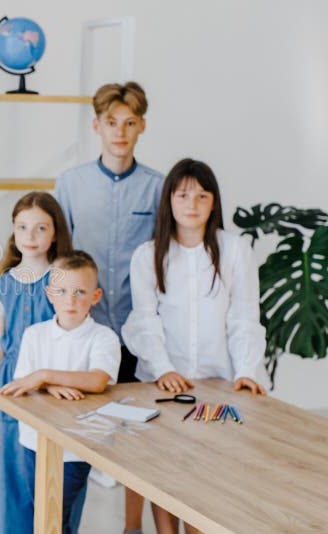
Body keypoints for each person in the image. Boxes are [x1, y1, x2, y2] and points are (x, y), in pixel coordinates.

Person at [122, 158, 267, 534]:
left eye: (202, 195)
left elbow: (244, 317)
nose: (192, 203)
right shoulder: (147, 255)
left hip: (218, 385)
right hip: (162, 382)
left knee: (209, 477)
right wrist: (163, 368)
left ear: (214, 203)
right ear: (169, 199)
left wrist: (248, 371)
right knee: (162, 470)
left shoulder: (235, 250)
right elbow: (145, 320)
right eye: (183, 194)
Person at [54, 81, 163, 534]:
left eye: (130, 123)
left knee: (144, 440)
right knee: (79, 439)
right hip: (86, 331)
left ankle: (132, 528)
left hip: (140, 332)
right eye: (112, 123)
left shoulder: (158, 188)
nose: (120, 132)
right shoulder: (71, 183)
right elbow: (60, 258)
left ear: (141, 127)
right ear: (97, 126)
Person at [0, 250, 121, 534]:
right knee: (39, 514)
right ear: (49, 294)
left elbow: (96, 381)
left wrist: (44, 375)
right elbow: (23, 384)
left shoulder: (103, 338)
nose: (71, 299)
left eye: (80, 291)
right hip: (32, 441)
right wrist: (50, 384)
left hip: (77, 448)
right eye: (62, 291)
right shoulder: (34, 334)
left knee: (58, 519)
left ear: (95, 296)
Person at [0, 191, 73, 534]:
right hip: (10, 392)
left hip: (52, 391)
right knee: (12, 480)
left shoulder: (63, 280)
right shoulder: (1, 285)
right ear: (13, 231)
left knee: (51, 480)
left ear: (55, 233)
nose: (30, 237)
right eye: (22, 227)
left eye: (40, 228)